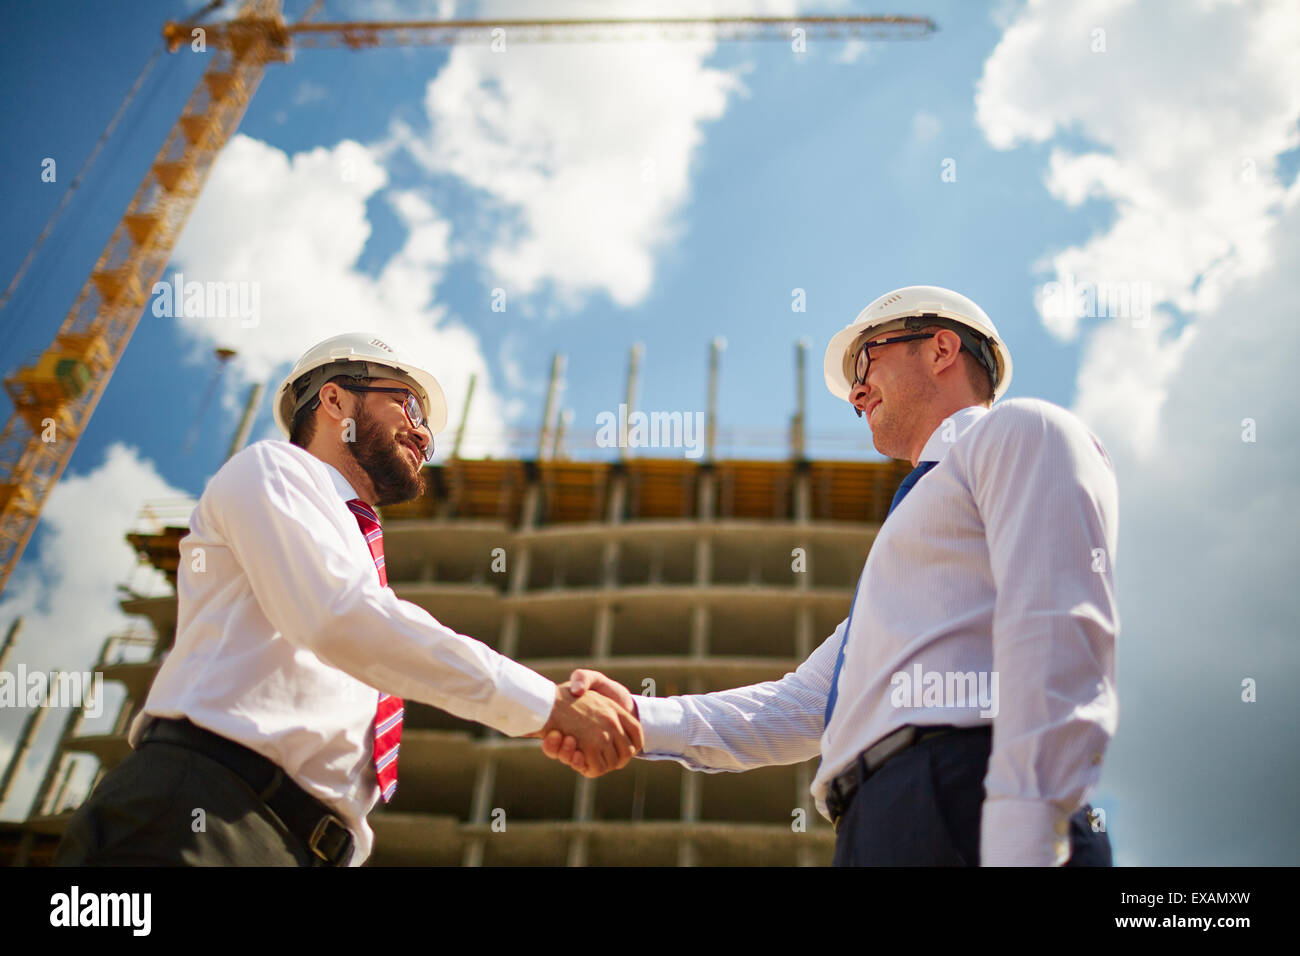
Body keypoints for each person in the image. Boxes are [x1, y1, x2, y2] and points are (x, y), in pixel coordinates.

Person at [544, 286, 1118, 867]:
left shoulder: (1026, 431)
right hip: (875, 824)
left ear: (942, 348)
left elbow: (1057, 639)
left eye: (866, 360)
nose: (856, 392)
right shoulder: (906, 556)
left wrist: (1025, 846)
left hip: (969, 798)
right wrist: (639, 719)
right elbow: (796, 705)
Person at [55, 332, 641, 867]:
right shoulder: (275, 469)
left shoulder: (351, 543)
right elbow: (339, 617)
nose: (423, 434)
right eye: (409, 406)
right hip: (198, 818)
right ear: (334, 401)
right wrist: (547, 705)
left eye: (429, 427)